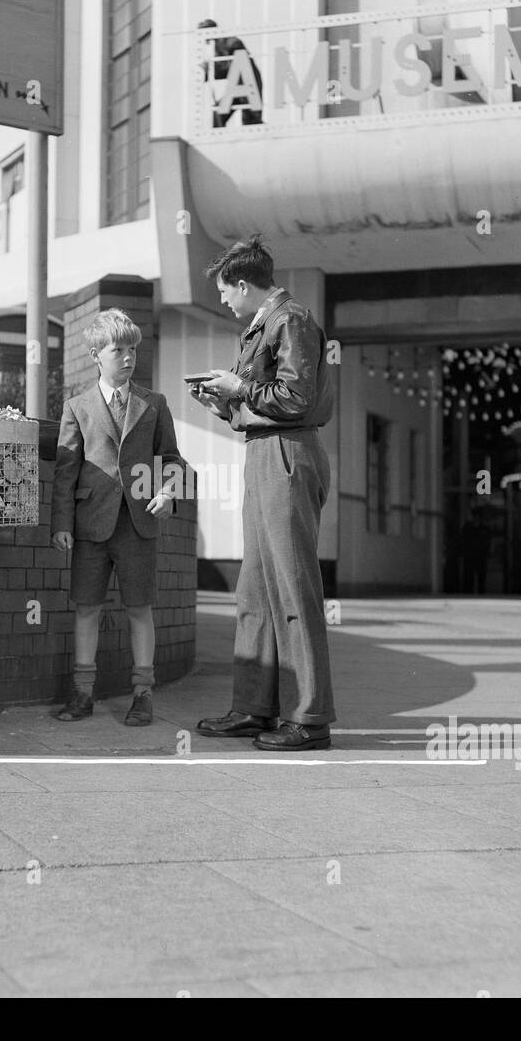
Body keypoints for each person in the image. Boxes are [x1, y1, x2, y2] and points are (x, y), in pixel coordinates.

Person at [191, 235, 335, 751]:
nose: (225, 301)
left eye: (227, 292)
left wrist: (238, 389)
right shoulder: (268, 323)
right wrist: (225, 406)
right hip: (266, 450)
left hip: (287, 455)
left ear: (246, 285)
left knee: (294, 587)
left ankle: (309, 718)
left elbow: (294, 397)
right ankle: (254, 708)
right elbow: (269, 402)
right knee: (254, 590)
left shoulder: (288, 320)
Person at [51, 309, 184, 726]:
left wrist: (167, 492)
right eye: (118, 350)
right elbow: (65, 471)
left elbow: (174, 460)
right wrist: (61, 524)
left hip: (138, 524)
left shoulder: (154, 404)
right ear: (96, 354)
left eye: (132, 350)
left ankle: (143, 695)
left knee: (139, 609)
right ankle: (82, 693)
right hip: (91, 525)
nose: (128, 358)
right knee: (87, 608)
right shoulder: (76, 407)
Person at [198, 19, 264, 128]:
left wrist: (210, 68)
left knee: (251, 121)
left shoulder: (230, 42)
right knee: (218, 115)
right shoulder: (219, 45)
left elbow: (232, 65)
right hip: (237, 88)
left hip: (248, 85)